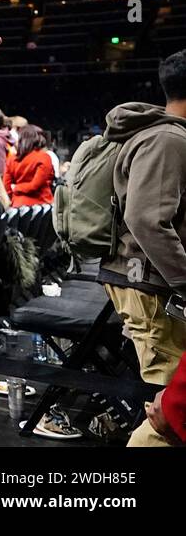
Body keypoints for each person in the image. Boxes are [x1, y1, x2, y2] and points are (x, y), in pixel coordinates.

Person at [97, 50, 186, 447]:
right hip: (149, 286)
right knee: (170, 414)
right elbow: (147, 219)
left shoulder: (167, 135)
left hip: (152, 283)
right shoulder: (168, 138)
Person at [5, 124, 55, 207]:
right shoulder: (44, 157)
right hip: (41, 204)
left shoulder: (11, 159)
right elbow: (35, 185)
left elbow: (7, 186)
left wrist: (15, 189)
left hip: (18, 204)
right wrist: (17, 188)